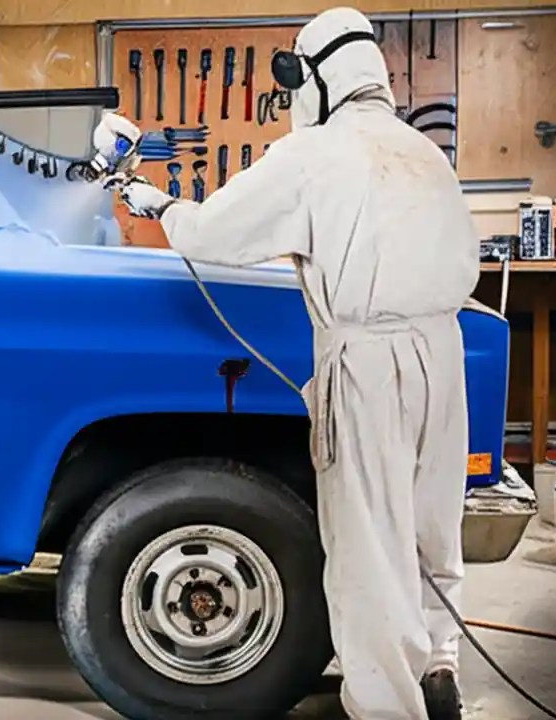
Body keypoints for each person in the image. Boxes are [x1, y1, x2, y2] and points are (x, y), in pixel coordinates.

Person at [99, 7, 478, 719]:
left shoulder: (313, 154)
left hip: (368, 361)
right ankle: (439, 666)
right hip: (442, 350)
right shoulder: (422, 151)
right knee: (431, 525)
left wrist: (159, 205)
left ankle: (390, 709)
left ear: (314, 77)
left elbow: (214, 233)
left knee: (369, 548)